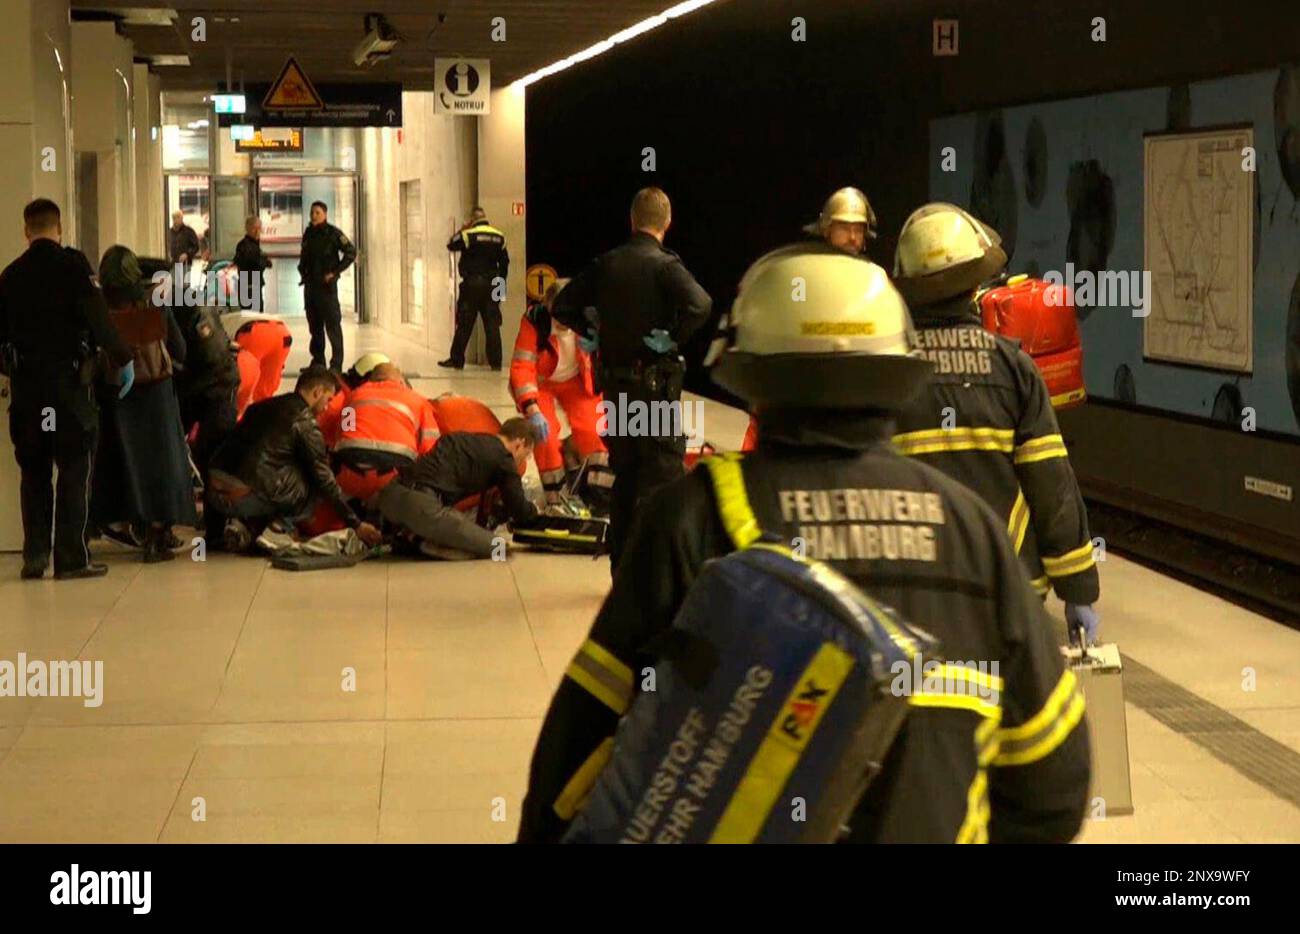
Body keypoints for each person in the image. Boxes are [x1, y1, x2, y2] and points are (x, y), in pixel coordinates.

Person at [518, 243, 1091, 844]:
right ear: (898, 374)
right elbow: (1054, 783)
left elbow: (579, 746)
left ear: (747, 376)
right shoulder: (973, 531)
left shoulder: (694, 517)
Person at [889, 203, 1101, 643]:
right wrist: (1078, 588)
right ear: (975, 284)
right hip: (1009, 591)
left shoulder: (886, 373)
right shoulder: (1013, 368)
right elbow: (1051, 487)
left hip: (914, 597)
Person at [551, 187, 712, 573]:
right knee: (660, 484)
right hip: (653, 395)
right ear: (667, 223)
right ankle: (655, 576)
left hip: (617, 393)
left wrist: (591, 328)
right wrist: (672, 336)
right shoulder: (664, 266)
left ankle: (621, 573)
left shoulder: (607, 263)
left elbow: (561, 304)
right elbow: (701, 304)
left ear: (631, 221)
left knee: (625, 481)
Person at [0, 199, 134, 580]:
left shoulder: (10, 276)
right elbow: (101, 321)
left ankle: (35, 557)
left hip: (29, 396)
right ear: (59, 229)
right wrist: (123, 359)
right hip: (68, 395)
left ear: (27, 231)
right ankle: (72, 557)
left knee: (35, 473)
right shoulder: (74, 269)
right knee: (74, 469)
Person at [90, 246, 197, 562]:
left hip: (117, 392)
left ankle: (126, 524)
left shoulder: (100, 306)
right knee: (162, 463)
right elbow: (179, 348)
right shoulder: (154, 301)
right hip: (156, 391)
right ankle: (158, 535)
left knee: (127, 461)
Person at [207, 366, 380, 551]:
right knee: (315, 481)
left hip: (213, 493)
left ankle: (243, 526)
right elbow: (324, 479)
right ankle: (278, 530)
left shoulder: (260, 406)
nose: (327, 406)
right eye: (328, 399)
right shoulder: (306, 420)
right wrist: (356, 524)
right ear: (317, 392)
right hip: (243, 497)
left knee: (280, 474)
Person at [510, 279, 612, 507]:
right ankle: (556, 499)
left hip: (577, 380)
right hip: (541, 383)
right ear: (548, 306)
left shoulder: (590, 318)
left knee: (595, 431)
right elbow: (522, 367)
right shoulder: (534, 322)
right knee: (545, 438)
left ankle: (601, 496)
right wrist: (532, 407)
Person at [377, 418, 540, 560]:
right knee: (500, 549)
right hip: (422, 506)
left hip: (390, 495)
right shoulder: (504, 459)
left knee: (445, 519)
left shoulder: (463, 438)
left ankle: (414, 536)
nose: (523, 460)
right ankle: (423, 542)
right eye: (527, 454)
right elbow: (518, 509)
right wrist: (535, 512)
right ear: (520, 443)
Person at [320, 354, 442, 503]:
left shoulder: (353, 396)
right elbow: (431, 448)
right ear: (401, 382)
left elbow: (342, 435)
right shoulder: (417, 400)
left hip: (350, 477)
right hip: (393, 480)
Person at [439, 207, 509, 371]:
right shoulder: (499, 236)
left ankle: (457, 359)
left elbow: (451, 244)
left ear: (472, 219)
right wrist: (500, 292)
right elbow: (504, 266)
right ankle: (496, 363)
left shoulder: (468, 234)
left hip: (472, 285)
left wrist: (463, 229)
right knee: (492, 325)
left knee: (465, 323)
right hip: (493, 285)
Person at [297, 201, 356, 372]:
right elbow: (304, 257)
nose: (314, 215)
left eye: (317, 212)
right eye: (312, 212)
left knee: (332, 326)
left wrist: (335, 272)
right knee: (314, 326)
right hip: (311, 287)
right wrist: (302, 271)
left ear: (325, 214)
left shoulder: (333, 233)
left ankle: (336, 365)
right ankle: (318, 362)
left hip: (326, 288)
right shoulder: (308, 233)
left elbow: (350, 252)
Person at [233, 316, 293, 405]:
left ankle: (240, 416)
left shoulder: (215, 325)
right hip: (283, 332)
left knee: (243, 386)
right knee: (265, 391)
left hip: (254, 332)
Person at [804, 186, 877, 256]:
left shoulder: (869, 268)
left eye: (858, 230)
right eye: (844, 229)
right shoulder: (808, 265)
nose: (852, 237)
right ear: (826, 230)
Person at [232, 216, 272, 312]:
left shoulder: (254, 245)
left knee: (256, 315)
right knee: (253, 317)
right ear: (248, 229)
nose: (258, 231)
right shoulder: (245, 246)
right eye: (255, 228)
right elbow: (253, 263)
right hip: (249, 284)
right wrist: (264, 261)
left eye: (260, 228)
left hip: (253, 283)